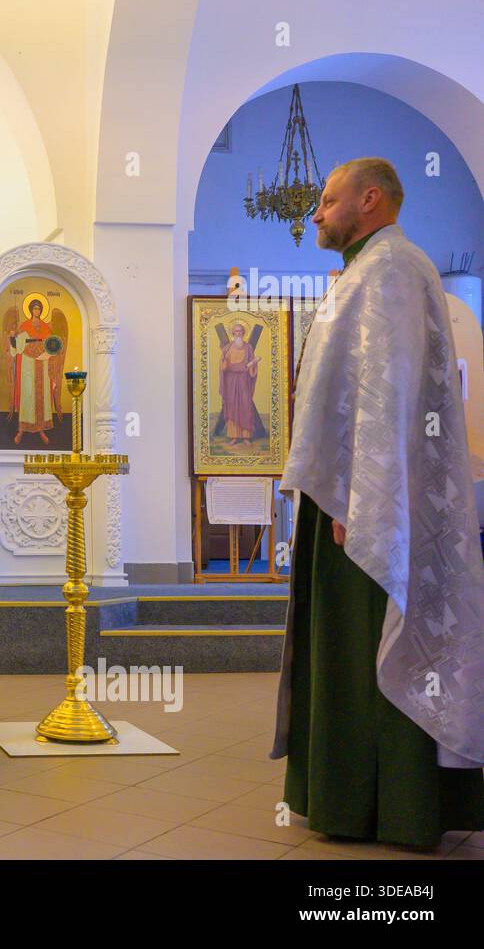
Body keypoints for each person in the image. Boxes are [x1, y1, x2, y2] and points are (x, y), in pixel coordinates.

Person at [271, 157, 484, 848]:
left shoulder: (391, 268)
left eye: (328, 201)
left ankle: (384, 806)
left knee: (366, 649)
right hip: (348, 495)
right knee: (343, 653)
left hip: (364, 505)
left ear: (369, 199)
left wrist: (364, 500)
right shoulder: (368, 268)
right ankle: (348, 798)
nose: (316, 214)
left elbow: (386, 397)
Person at [7, 297, 63, 444]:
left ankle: (41, 429)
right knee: (27, 393)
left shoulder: (46, 327)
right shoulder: (24, 326)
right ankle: (22, 429)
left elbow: (52, 345)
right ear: (31, 310)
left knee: (41, 394)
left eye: (39, 308)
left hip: (43, 361)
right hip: (27, 362)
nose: (37, 311)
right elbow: (16, 347)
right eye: (34, 308)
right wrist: (12, 337)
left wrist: (52, 352)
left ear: (41, 310)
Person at [217, 321, 261, 445]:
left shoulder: (248, 348)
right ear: (233, 333)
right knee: (232, 406)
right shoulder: (227, 348)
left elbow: (253, 365)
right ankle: (234, 436)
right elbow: (223, 366)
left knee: (245, 405)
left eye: (240, 331)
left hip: (243, 381)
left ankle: (246, 436)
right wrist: (224, 365)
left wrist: (252, 367)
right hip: (231, 381)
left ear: (243, 333)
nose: (238, 333)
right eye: (236, 331)